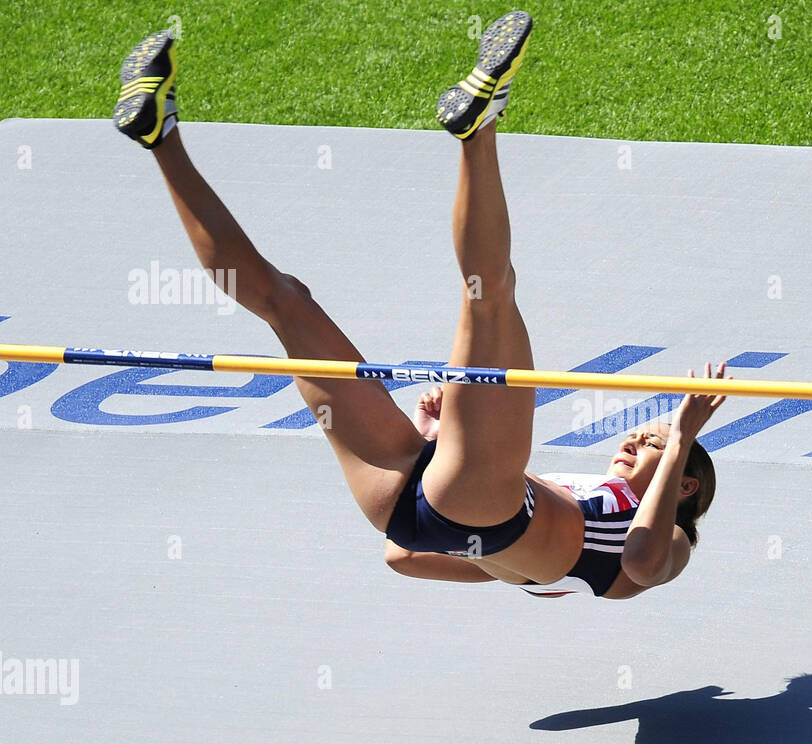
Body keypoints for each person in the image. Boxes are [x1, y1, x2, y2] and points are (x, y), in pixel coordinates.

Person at [111, 12, 728, 599]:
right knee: (283, 298)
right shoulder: (589, 503)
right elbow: (405, 559)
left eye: (648, 443)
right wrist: (442, 448)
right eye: (648, 436)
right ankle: (160, 134)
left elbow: (643, 566)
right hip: (409, 505)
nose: (632, 441)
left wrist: (681, 437)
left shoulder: (669, 538)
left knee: (490, 296)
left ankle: (479, 128)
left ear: (687, 485)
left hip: (467, 505)